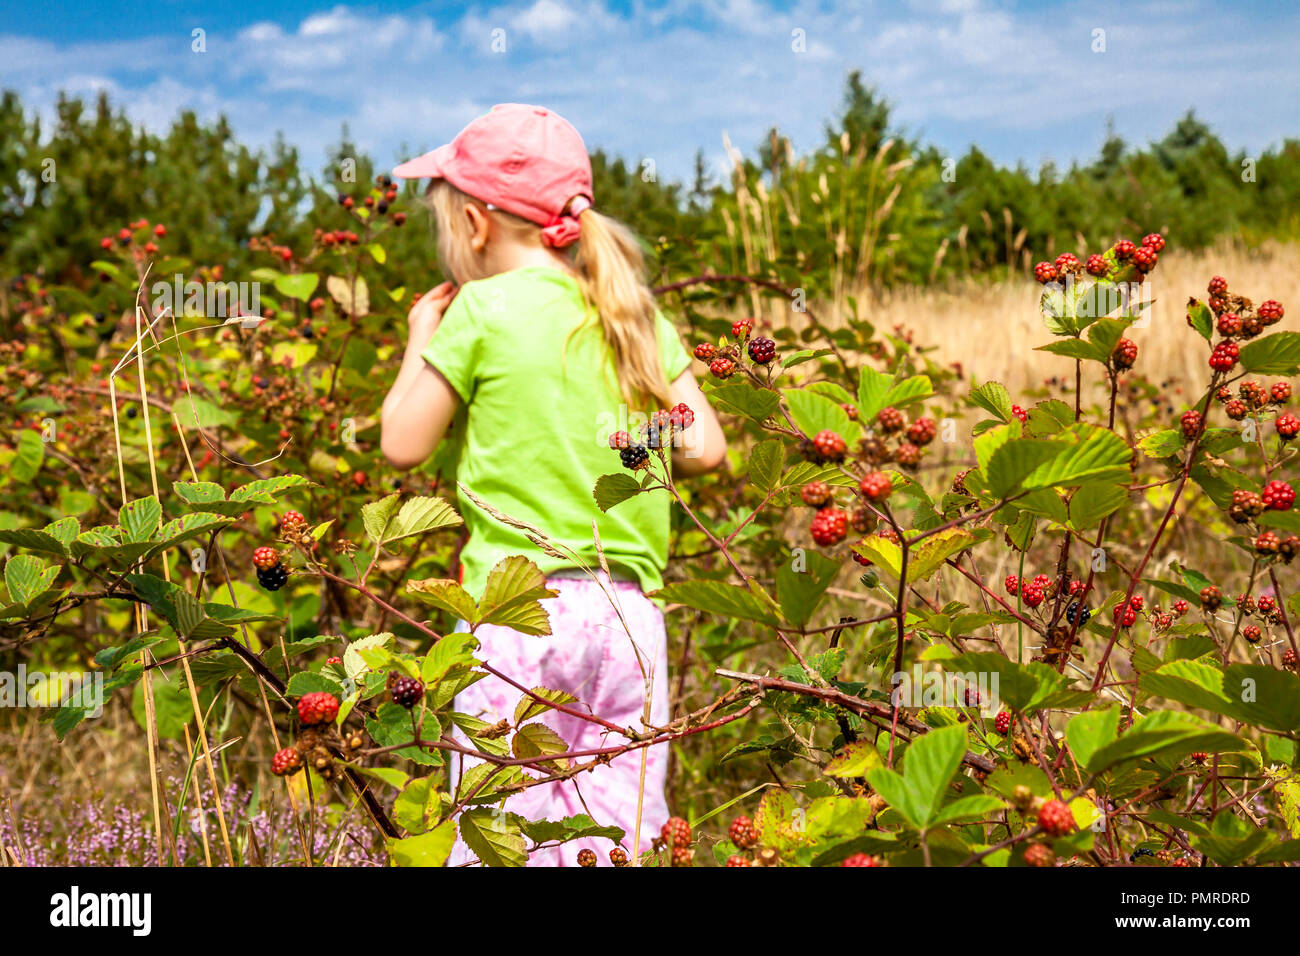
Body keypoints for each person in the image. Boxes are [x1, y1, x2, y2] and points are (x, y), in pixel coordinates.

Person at [381, 104, 727, 865]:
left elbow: (401, 444)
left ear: (474, 224)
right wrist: (622, 434)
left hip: (514, 616)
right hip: (627, 620)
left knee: (500, 836)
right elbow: (705, 446)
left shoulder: (478, 310)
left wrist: (418, 341)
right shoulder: (626, 309)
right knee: (617, 837)